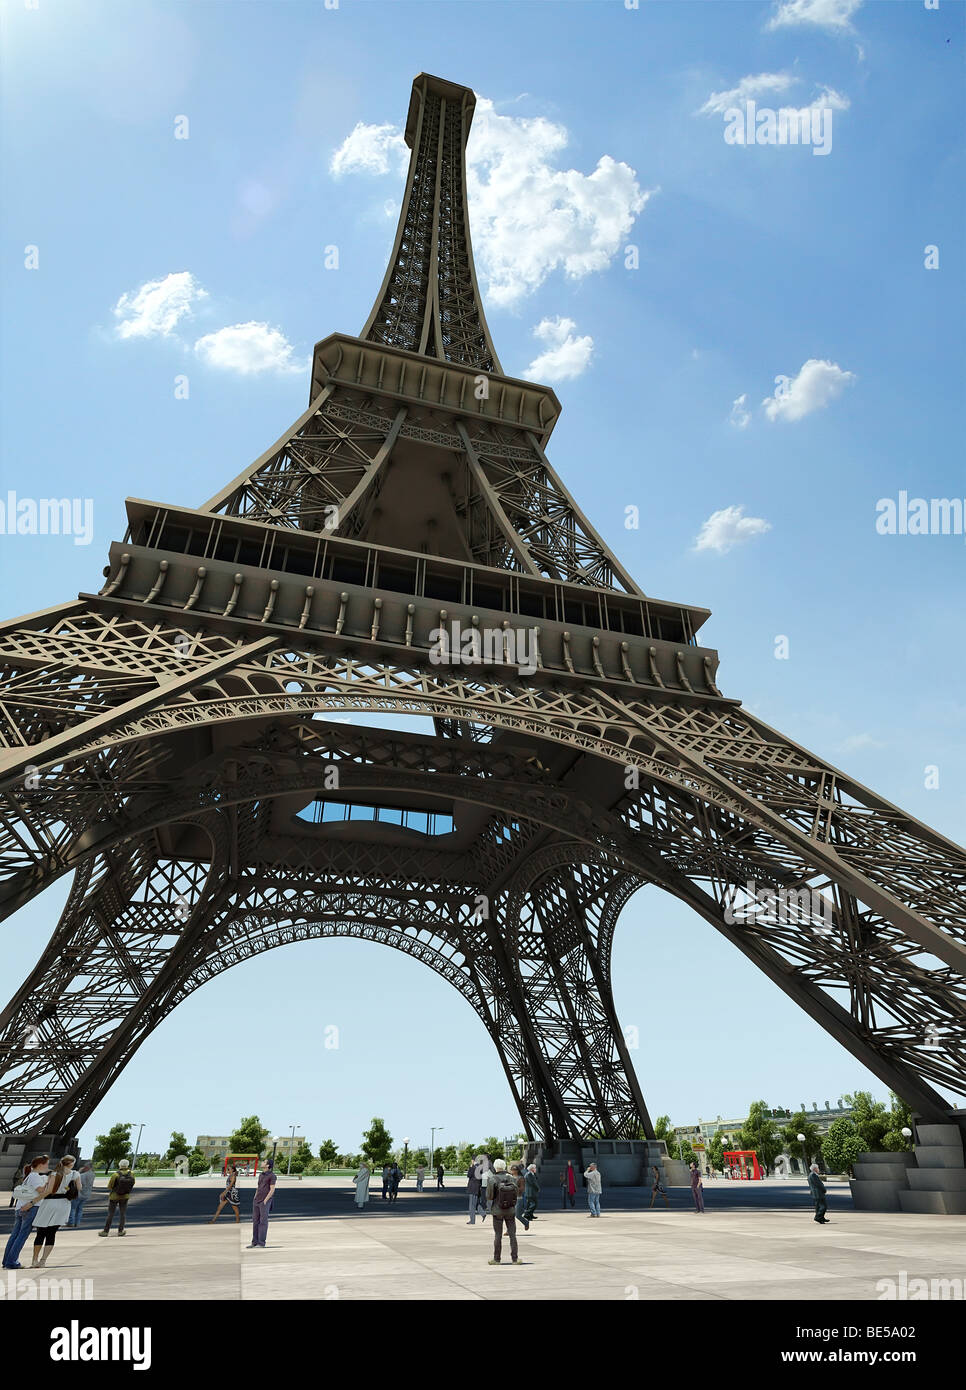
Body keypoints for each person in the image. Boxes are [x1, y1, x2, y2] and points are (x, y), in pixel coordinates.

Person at [3, 1153, 50, 1269]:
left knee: (15, 1235)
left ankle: (7, 1260)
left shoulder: (30, 1175)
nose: (47, 1166)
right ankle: (12, 1261)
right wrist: (48, 1183)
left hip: (21, 1207)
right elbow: (40, 1190)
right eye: (46, 1164)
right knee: (22, 1235)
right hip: (29, 1208)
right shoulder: (35, 1176)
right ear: (40, 1164)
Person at [30, 1156, 77, 1267]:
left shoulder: (54, 1174)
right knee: (51, 1233)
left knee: (41, 1233)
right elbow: (78, 1188)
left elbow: (49, 1190)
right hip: (64, 1204)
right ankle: (43, 1260)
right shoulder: (75, 1174)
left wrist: (32, 1202)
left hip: (49, 1203)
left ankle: (34, 1260)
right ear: (71, 1164)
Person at [485, 1159, 521, 1265]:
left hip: (497, 1211)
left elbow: (489, 1196)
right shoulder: (512, 1178)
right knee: (513, 1235)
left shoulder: (493, 1179)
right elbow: (517, 1193)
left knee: (498, 1235)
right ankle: (515, 1259)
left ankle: (497, 1259)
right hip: (510, 1210)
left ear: (496, 1168)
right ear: (504, 1167)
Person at [100, 1159, 135, 1236]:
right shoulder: (131, 1173)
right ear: (127, 1165)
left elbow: (109, 1186)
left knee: (111, 1214)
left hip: (114, 1196)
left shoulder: (115, 1174)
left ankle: (106, 1231)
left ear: (120, 1165)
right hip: (125, 1196)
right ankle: (120, 1231)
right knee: (123, 1214)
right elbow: (133, 1183)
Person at [247, 1159, 276, 1247]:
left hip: (264, 1201)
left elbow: (272, 1190)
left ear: (267, 1165)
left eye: (264, 1162)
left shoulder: (272, 1176)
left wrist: (265, 1201)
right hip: (256, 1200)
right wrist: (255, 1197)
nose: (262, 1162)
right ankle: (254, 1242)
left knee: (263, 1222)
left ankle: (261, 1243)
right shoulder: (261, 1175)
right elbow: (258, 1187)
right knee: (255, 1221)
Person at [66, 1161, 95, 1228]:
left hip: (78, 1194)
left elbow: (74, 1179)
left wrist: (79, 1171)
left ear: (87, 1167)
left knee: (73, 1208)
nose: (84, 1168)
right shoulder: (93, 1174)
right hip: (86, 1194)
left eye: (85, 1167)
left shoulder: (82, 1175)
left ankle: (71, 1222)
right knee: (80, 1209)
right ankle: (77, 1222)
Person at [521, 1162, 540, 1229]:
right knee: (534, 1204)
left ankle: (530, 1215)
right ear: (532, 1169)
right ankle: (526, 1214)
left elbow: (535, 1180)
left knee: (530, 1204)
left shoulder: (532, 1174)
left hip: (532, 1192)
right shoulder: (529, 1174)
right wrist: (538, 1188)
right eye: (535, 1168)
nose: (536, 1169)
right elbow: (533, 1183)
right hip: (530, 1192)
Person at [466, 1156, 484, 1224]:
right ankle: (483, 1213)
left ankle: (472, 1220)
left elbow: (469, 1175)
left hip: (473, 1188)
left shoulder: (473, 1167)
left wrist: (470, 1167)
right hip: (477, 1187)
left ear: (473, 1160)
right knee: (475, 1203)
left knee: (472, 1205)